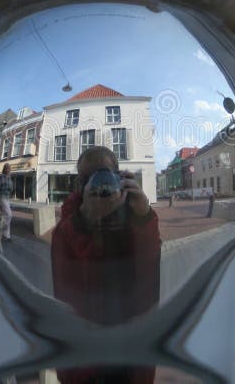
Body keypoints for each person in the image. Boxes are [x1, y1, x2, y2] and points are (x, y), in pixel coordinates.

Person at [51, 146, 160, 383]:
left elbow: (149, 268)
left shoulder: (133, 207)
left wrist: (143, 215)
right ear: (79, 184)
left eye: (105, 174)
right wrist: (85, 220)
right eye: (87, 178)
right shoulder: (71, 215)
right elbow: (64, 277)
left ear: (119, 177)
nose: (98, 183)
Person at [0, 163, 14, 242]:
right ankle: (4, 232)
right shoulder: (2, 177)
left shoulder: (9, 178)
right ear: (4, 169)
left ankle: (5, 235)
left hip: (7, 198)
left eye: (9, 168)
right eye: (7, 168)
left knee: (5, 216)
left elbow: (11, 188)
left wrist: (11, 188)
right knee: (9, 214)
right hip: (2, 197)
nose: (8, 170)